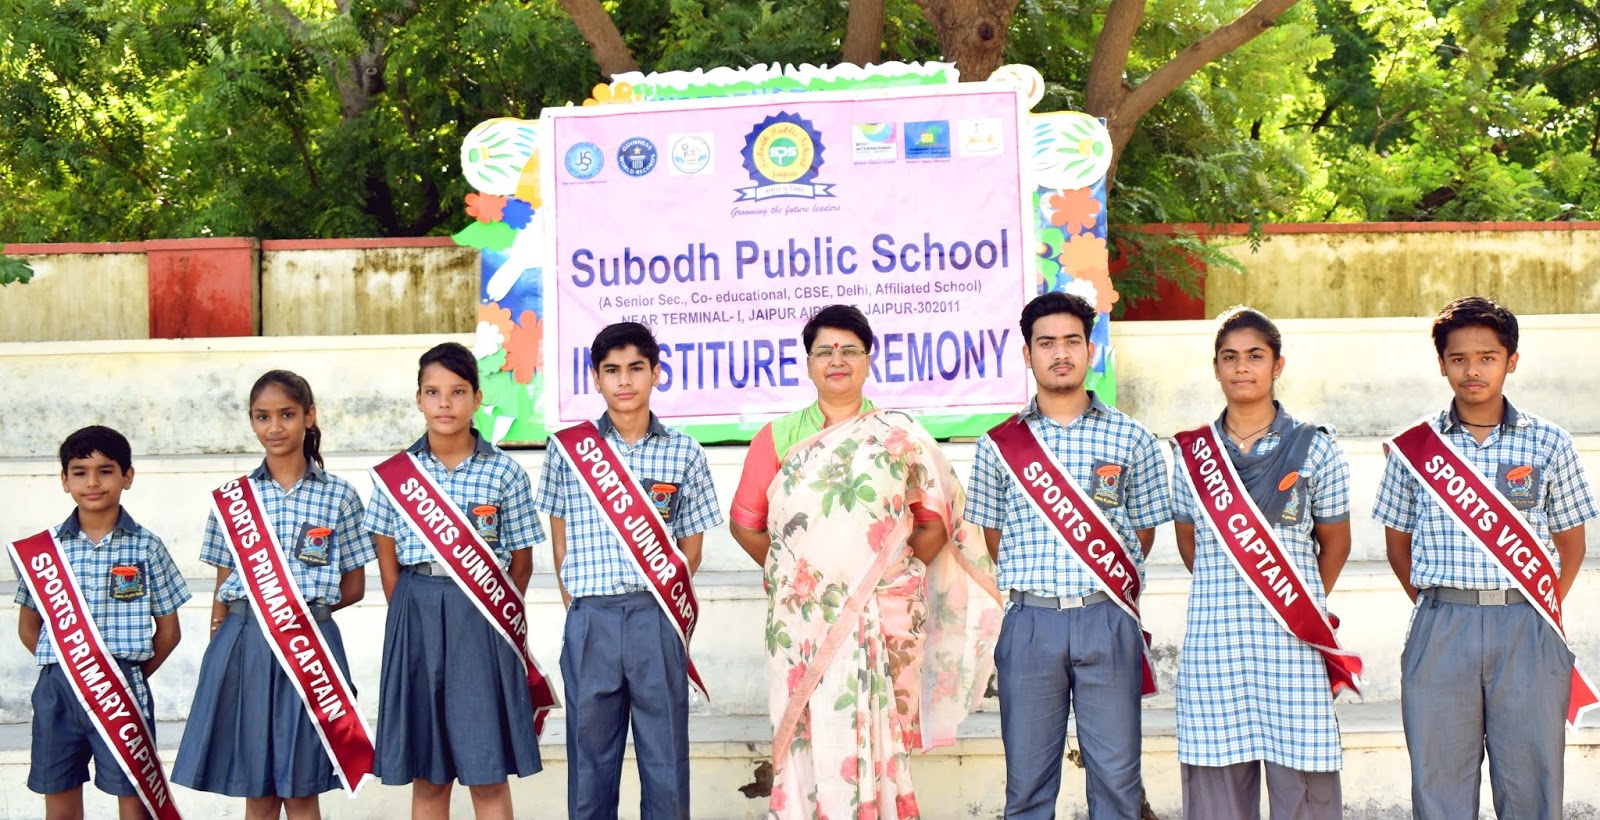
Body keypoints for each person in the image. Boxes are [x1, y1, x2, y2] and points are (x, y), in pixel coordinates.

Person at [729, 304, 1000, 820]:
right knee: (806, 731)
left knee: (875, 738)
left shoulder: (899, 435)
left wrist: (886, 578)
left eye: (850, 350)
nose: (837, 360)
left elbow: (936, 516)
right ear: (807, 364)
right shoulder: (777, 436)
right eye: (825, 351)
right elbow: (746, 522)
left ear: (868, 360)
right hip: (801, 622)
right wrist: (800, 575)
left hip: (881, 615)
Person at [1374, 296, 1597, 820]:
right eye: (1458, 359)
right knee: (1439, 779)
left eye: (1487, 357)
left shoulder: (1550, 442)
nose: (1472, 370)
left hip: (1528, 623)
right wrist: (1444, 603)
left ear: (1510, 360)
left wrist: (1533, 603)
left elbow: (1571, 543)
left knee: (1532, 780)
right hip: (1440, 624)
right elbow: (1397, 542)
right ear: (1442, 363)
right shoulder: (1414, 447)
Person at [966, 291, 1171, 820]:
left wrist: (1098, 582)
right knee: (1028, 786)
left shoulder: (1135, 438)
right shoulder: (998, 445)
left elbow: (1142, 533)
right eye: (1047, 342)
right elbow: (994, 536)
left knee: (1118, 782)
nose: (1060, 353)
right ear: (1027, 353)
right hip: (1030, 623)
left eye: (1072, 342)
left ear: (1090, 350)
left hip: (1108, 618)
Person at [1170, 308, 1353, 819]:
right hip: (1215, 645)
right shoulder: (1191, 453)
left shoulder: (1316, 447)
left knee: (1304, 783)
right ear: (1216, 368)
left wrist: (1297, 599)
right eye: (1230, 357)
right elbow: (1192, 545)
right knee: (1215, 788)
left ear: (1277, 365)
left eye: (1255, 356)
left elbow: (1334, 543)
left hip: (1292, 643)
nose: (1242, 367)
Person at [534, 322, 723, 820]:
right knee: (590, 761)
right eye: (612, 370)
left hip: (655, 615)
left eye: (636, 368)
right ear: (595, 378)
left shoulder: (684, 451)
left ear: (655, 374)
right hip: (591, 617)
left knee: (665, 759)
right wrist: (577, 599)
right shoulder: (568, 449)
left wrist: (658, 594)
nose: (624, 380)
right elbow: (560, 537)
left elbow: (692, 549)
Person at [173, 370, 371, 818]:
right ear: (251, 421)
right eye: (263, 417)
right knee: (257, 787)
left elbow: (354, 585)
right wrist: (224, 643)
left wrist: (299, 614)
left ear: (309, 416)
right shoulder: (232, 499)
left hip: (310, 644)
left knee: (302, 788)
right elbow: (224, 584)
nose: (275, 427)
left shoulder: (340, 495)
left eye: (286, 414)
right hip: (244, 646)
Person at [363, 342, 546, 820]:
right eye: (433, 392)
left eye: (458, 392)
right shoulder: (395, 476)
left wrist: (489, 613)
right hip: (417, 611)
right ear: (419, 399)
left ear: (477, 398)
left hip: (483, 616)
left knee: (486, 771)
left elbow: (521, 563)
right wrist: (414, 607)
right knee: (429, 773)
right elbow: (387, 560)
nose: (446, 403)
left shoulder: (504, 471)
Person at [14, 425, 190, 820]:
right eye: (79, 472)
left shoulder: (147, 545)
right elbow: (29, 627)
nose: (92, 482)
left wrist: (125, 678)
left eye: (106, 470)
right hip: (58, 689)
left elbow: (169, 630)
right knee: (58, 796)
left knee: (134, 798)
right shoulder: (44, 552)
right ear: (64, 480)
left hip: (123, 687)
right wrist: (73, 666)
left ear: (127, 476)